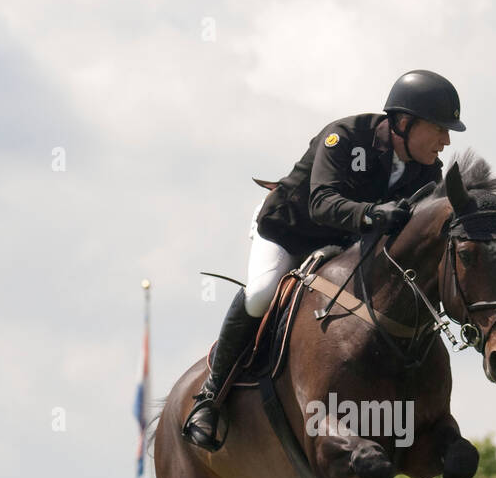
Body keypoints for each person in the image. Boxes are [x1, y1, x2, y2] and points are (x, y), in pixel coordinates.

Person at [182, 70, 465, 448]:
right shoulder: (346, 137)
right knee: (262, 293)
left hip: (344, 248)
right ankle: (210, 398)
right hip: (289, 230)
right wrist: (371, 214)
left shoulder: (427, 169)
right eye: (440, 129)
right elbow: (320, 203)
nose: (446, 141)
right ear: (403, 122)